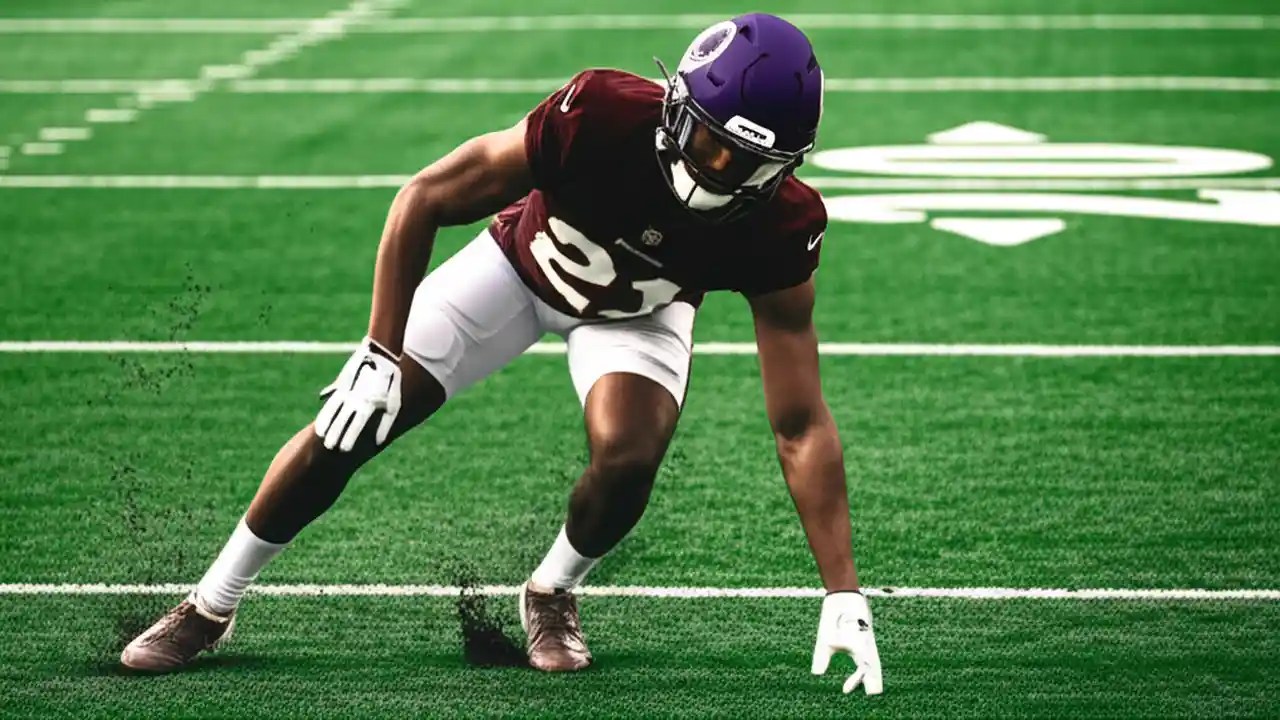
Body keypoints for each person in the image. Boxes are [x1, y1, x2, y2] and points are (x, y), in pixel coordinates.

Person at [121, 12, 882, 695]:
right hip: (518, 268)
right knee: (348, 426)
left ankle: (551, 591)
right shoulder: (602, 114)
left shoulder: (784, 223)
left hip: (639, 314)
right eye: (711, 144)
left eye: (748, 164)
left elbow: (799, 423)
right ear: (677, 108)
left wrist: (843, 590)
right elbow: (424, 196)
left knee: (628, 458)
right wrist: (379, 351)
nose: (720, 172)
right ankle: (211, 603)